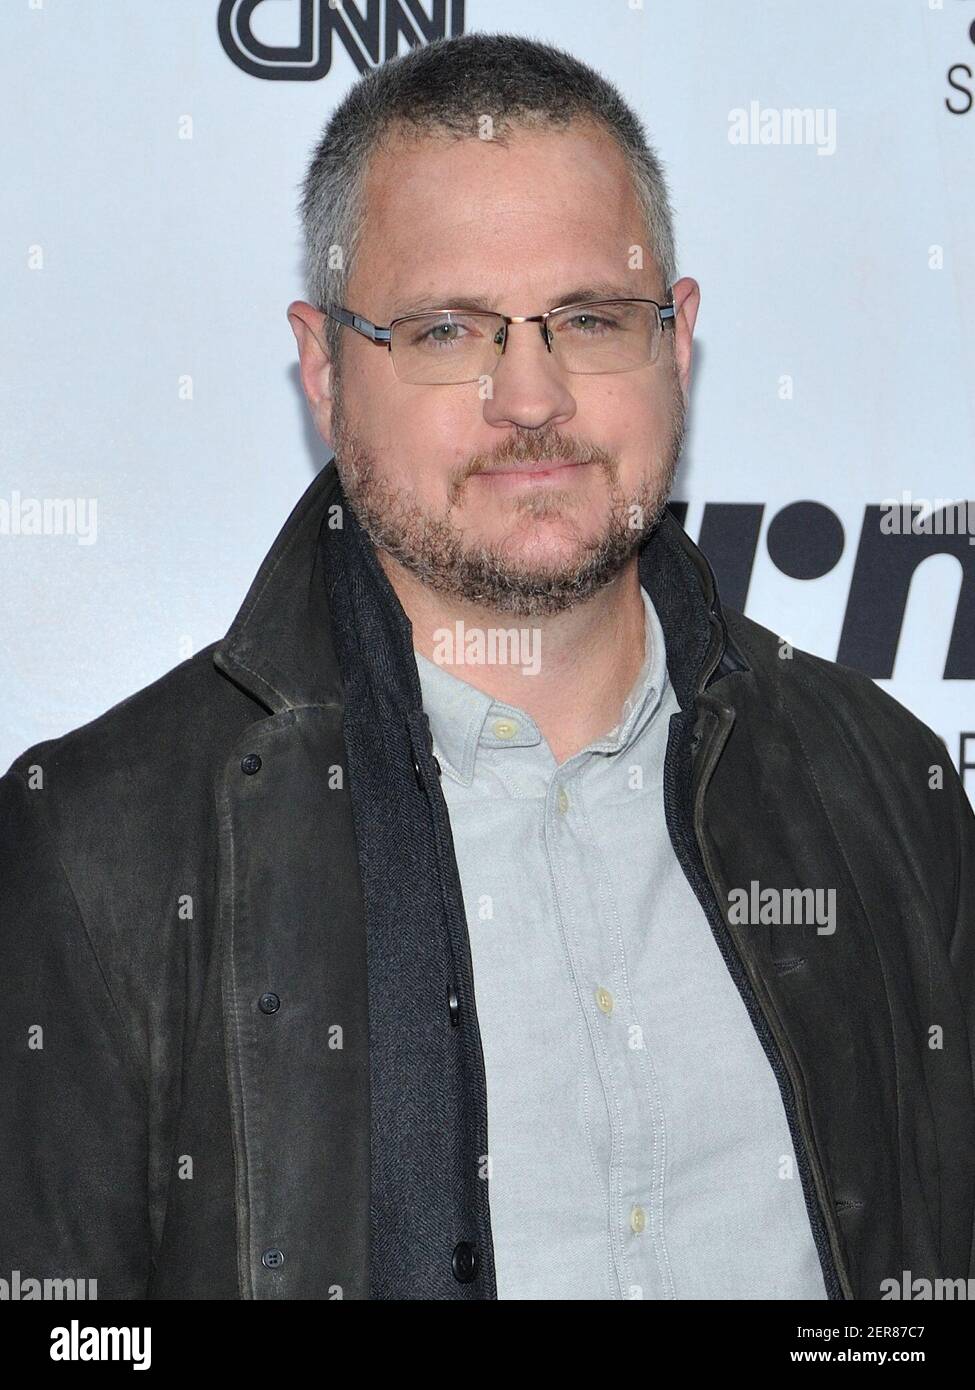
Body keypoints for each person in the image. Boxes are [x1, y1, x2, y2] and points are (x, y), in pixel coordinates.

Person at [1, 32, 972, 1302]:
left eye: (589, 318)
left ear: (677, 342)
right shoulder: (100, 846)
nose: (530, 395)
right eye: (448, 328)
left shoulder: (887, 789)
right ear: (323, 364)